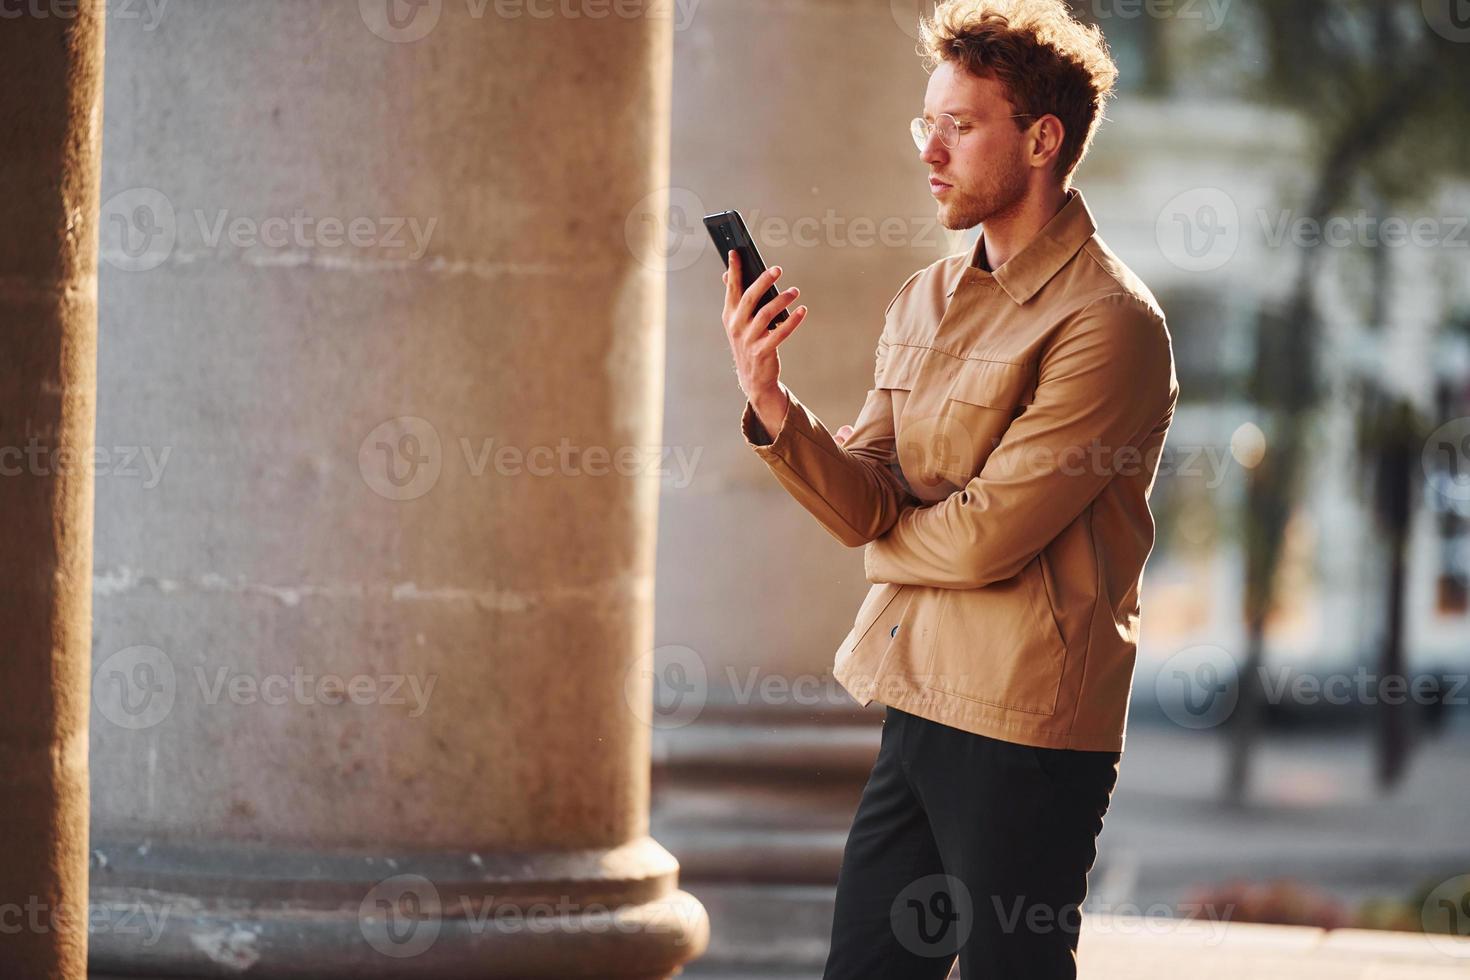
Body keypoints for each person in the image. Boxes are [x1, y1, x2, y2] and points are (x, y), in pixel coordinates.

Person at [717, 1, 1180, 976]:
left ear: (1043, 138)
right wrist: (771, 402)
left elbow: (982, 539)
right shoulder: (922, 297)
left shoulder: (1110, 323)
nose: (930, 149)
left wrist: (892, 543)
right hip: (918, 699)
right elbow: (868, 498)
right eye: (925, 123)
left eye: (960, 126)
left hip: (1028, 724)